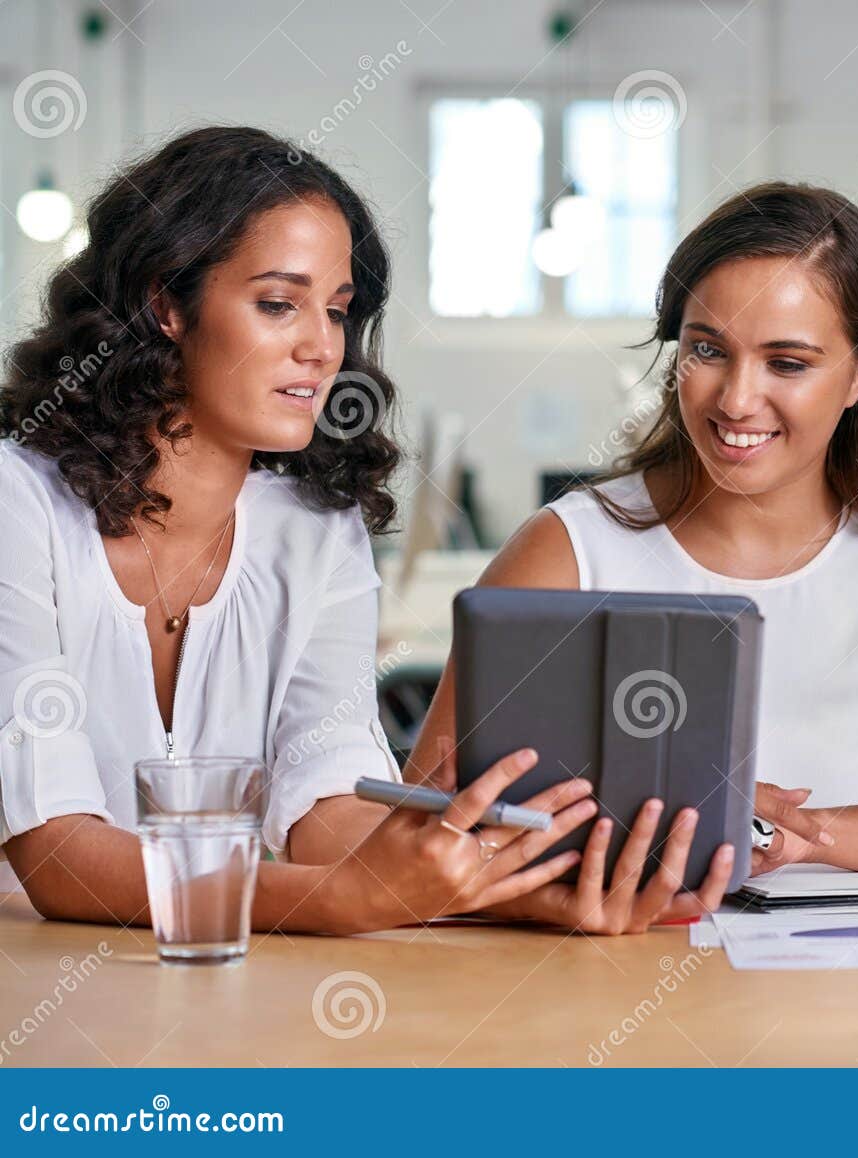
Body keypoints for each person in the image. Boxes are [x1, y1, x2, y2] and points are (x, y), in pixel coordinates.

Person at [405, 182, 858, 932]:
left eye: (787, 363)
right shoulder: (566, 549)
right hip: (599, 978)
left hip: (834, 987)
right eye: (708, 350)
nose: (737, 400)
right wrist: (570, 881)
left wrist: (802, 836)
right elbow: (419, 825)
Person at [0, 126, 610, 932]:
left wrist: (498, 883)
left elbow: (327, 801)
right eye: (278, 304)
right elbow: (56, 856)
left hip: (214, 980)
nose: (323, 348)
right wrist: (340, 899)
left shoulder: (316, 527)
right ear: (166, 305)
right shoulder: (18, 504)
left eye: (337, 311)